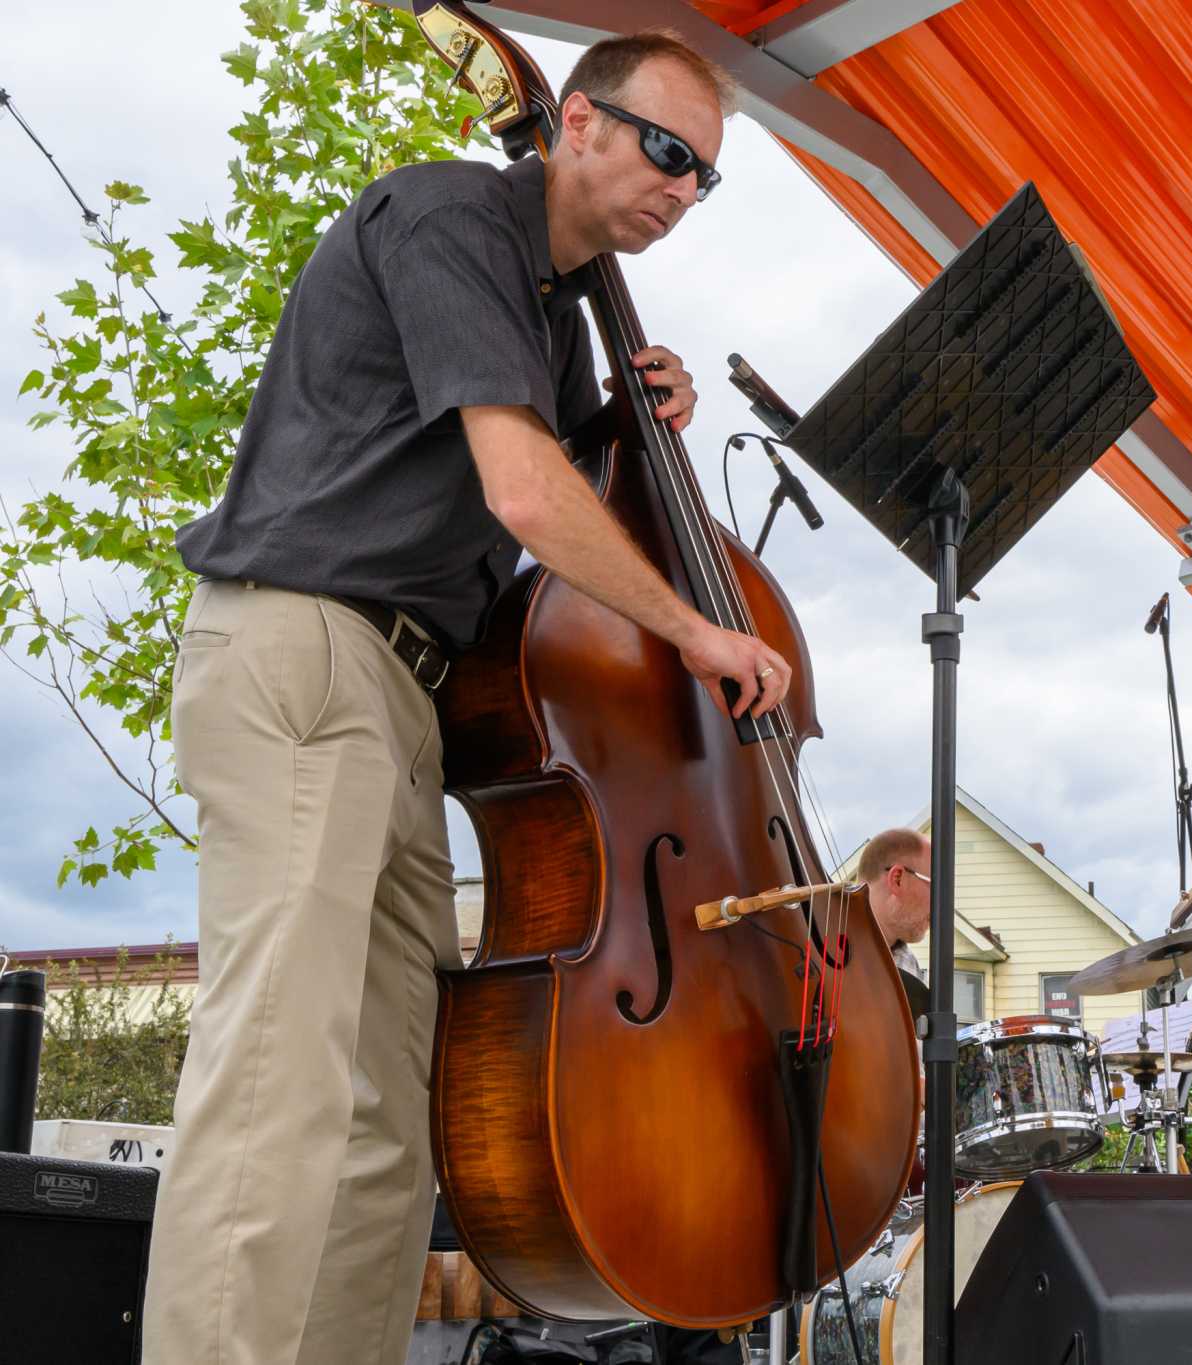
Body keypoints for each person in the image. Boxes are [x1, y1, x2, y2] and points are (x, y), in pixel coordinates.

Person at [143, 31, 787, 1365]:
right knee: (282, 1091)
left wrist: (620, 423)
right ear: (580, 128)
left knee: (386, 1130)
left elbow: (545, 546)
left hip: (406, 702)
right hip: (309, 652)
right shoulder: (447, 214)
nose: (681, 189)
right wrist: (695, 633)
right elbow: (523, 498)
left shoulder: (553, 321)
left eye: (706, 179)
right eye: (668, 151)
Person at [859, 827, 933, 995]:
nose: (940, 904)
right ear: (898, 879)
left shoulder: (908, 965)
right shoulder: (818, 943)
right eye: (936, 887)